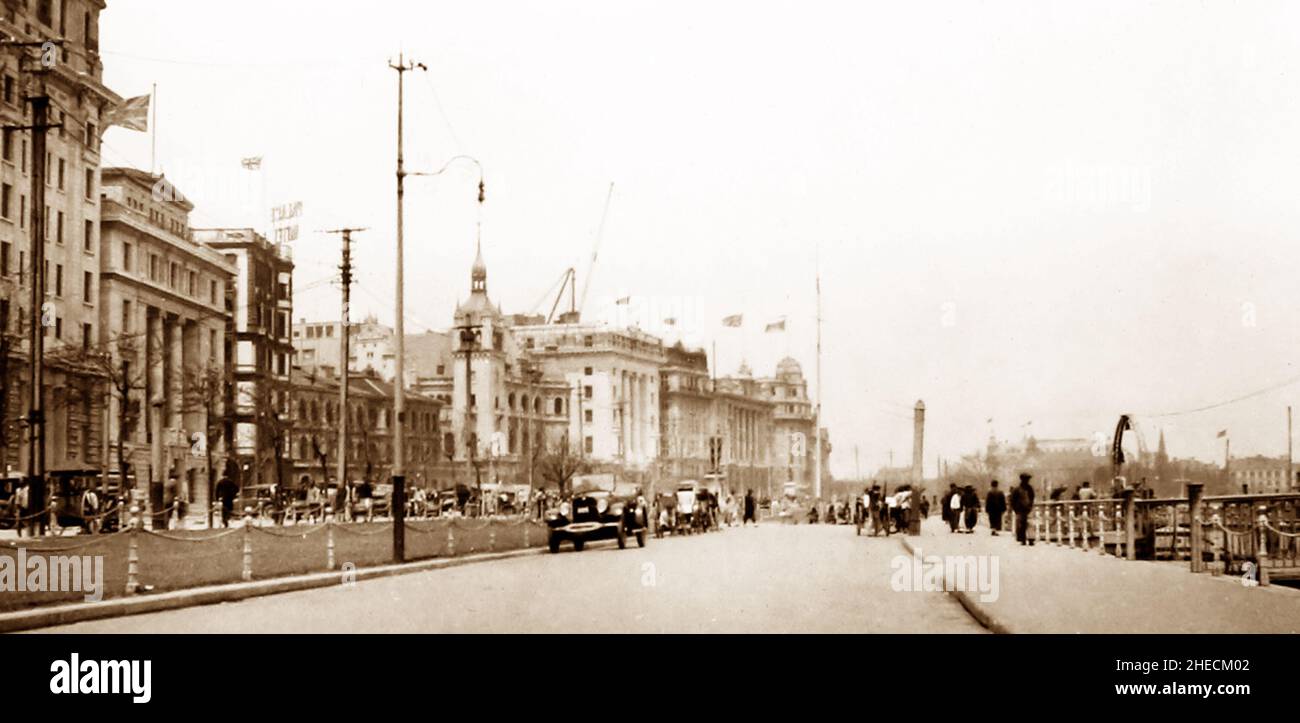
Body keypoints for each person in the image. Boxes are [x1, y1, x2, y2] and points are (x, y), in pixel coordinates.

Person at [1010, 473, 1036, 545]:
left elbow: (1032, 498)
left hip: (1025, 509)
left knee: (1027, 524)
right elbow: (1013, 500)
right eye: (1027, 479)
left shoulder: (1020, 489)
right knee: (1024, 524)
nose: (1027, 481)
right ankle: (1025, 539)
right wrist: (1016, 509)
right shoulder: (1026, 489)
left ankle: (1027, 539)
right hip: (1022, 509)